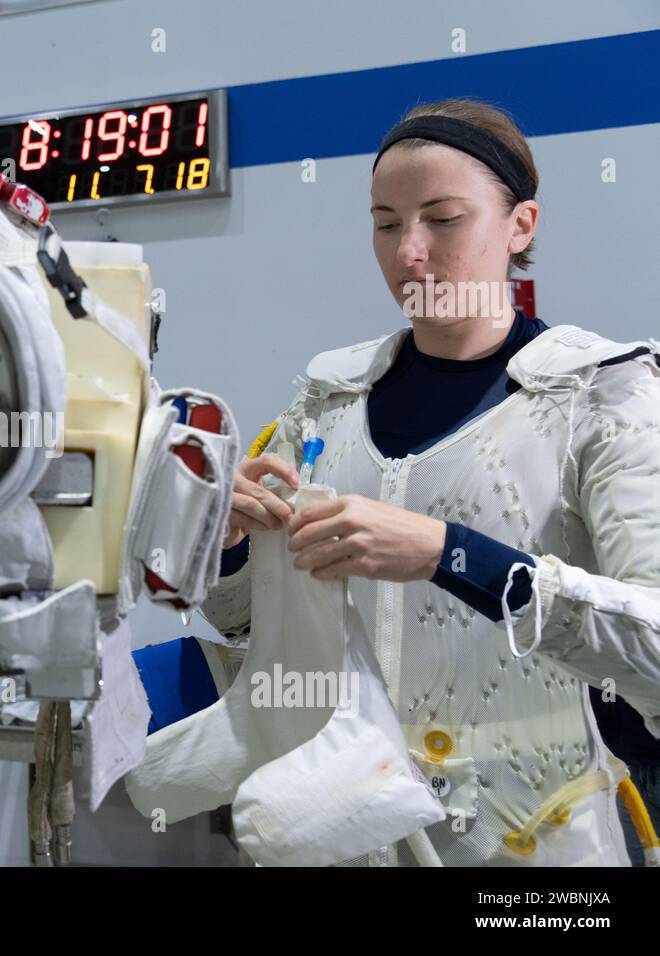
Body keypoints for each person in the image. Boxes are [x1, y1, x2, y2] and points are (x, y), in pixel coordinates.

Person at [207, 97, 660, 866]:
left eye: (443, 219)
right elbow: (241, 621)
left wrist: (450, 553)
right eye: (386, 223)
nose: (409, 251)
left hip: (537, 839)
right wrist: (227, 546)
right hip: (345, 823)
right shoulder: (328, 401)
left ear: (521, 225)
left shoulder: (599, 395)